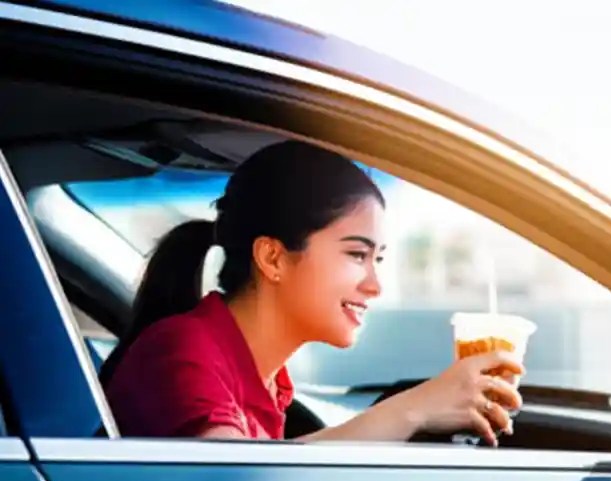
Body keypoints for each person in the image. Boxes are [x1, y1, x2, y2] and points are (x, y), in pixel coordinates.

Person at [102, 140, 522, 446]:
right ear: (273, 258)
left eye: (378, 260)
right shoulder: (183, 349)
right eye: (357, 254)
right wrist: (413, 409)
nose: (374, 285)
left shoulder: (269, 380)